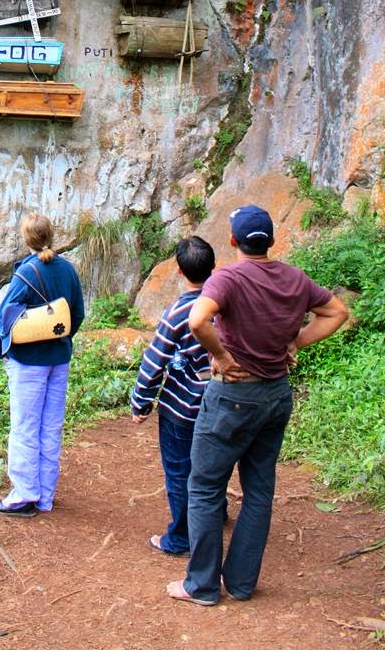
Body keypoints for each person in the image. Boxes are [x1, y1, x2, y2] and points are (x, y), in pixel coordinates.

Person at [167, 204, 348, 606]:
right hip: (276, 395)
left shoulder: (228, 277)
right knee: (259, 491)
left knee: (204, 487)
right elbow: (337, 311)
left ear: (232, 241)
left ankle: (202, 585)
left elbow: (198, 321)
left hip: (232, 397)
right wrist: (296, 341)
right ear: (271, 241)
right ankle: (242, 584)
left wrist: (223, 356)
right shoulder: (294, 278)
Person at [0, 212, 85, 516]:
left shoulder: (27, 273)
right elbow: (77, 314)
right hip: (59, 359)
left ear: (26, 238)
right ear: (50, 235)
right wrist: (59, 340)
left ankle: (23, 495)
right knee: (50, 426)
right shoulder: (67, 270)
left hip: (29, 362)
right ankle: (44, 496)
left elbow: (4, 317)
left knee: (25, 427)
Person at [130, 236, 216, 555]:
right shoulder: (226, 302)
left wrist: (141, 402)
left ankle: (181, 536)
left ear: (179, 272)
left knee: (179, 470)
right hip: (219, 402)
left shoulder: (178, 312)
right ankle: (214, 512)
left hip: (181, 408)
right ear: (214, 267)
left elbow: (154, 362)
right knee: (211, 461)